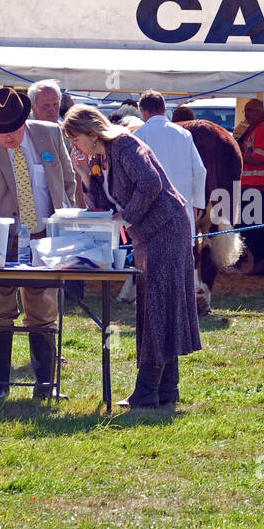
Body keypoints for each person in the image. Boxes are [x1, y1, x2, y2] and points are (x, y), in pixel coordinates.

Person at [63, 105, 201, 408]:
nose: (74, 146)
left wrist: (126, 216)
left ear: (90, 132)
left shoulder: (125, 145)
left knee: (158, 305)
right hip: (148, 235)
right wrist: (84, 174)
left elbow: (150, 183)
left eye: (75, 139)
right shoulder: (100, 157)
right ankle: (166, 389)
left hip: (167, 229)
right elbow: (99, 203)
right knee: (158, 305)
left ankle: (147, 390)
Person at [0, 87, 77, 399]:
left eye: (13, 131)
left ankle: (44, 384)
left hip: (44, 238)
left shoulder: (51, 134)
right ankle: (0, 384)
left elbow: (68, 180)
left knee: (43, 310)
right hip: (4, 241)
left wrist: (63, 219)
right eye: (0, 133)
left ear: (25, 121)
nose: (8, 139)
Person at [133, 90, 205, 233]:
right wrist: (195, 203)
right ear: (165, 109)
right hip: (182, 210)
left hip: (151, 214)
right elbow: (200, 171)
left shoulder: (137, 136)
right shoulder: (185, 134)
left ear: (142, 111)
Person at [235, 97, 264, 275]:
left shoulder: (262, 129)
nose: (246, 114)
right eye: (245, 110)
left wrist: (235, 153)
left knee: (255, 229)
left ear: (261, 113)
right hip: (249, 186)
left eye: (251, 110)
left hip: (257, 187)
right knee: (248, 227)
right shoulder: (251, 129)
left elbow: (258, 157)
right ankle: (251, 263)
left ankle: (257, 264)